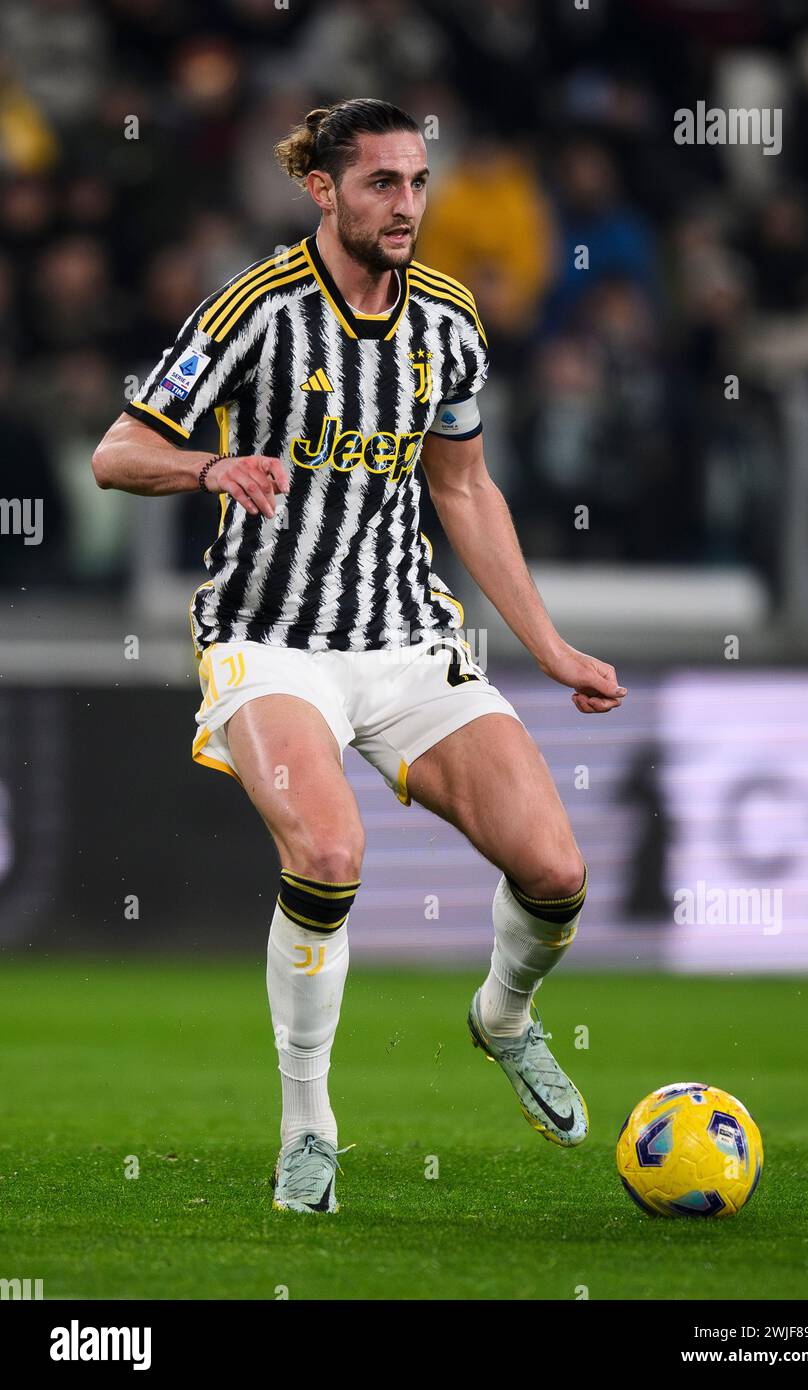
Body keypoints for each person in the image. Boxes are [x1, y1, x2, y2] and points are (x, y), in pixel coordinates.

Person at [92, 98, 627, 1214]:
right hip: (269, 639)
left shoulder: (447, 318)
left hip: (405, 640)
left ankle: (503, 1020)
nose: (405, 204)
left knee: (556, 874)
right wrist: (205, 470)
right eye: (381, 182)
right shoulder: (254, 308)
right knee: (328, 854)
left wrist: (549, 645)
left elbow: (463, 487)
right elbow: (118, 448)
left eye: (418, 180)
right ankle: (308, 1129)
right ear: (323, 190)